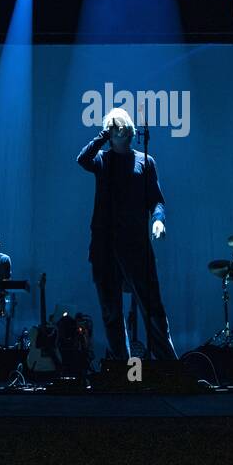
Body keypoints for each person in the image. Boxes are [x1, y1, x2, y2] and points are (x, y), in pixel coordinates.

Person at [76, 107, 176, 360]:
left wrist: (158, 220)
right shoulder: (101, 159)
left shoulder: (145, 160)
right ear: (111, 131)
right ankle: (123, 366)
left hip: (136, 244)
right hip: (104, 245)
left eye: (127, 128)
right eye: (119, 129)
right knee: (111, 310)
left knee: (152, 307)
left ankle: (168, 365)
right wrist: (102, 135)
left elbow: (157, 200)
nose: (127, 133)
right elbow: (82, 160)